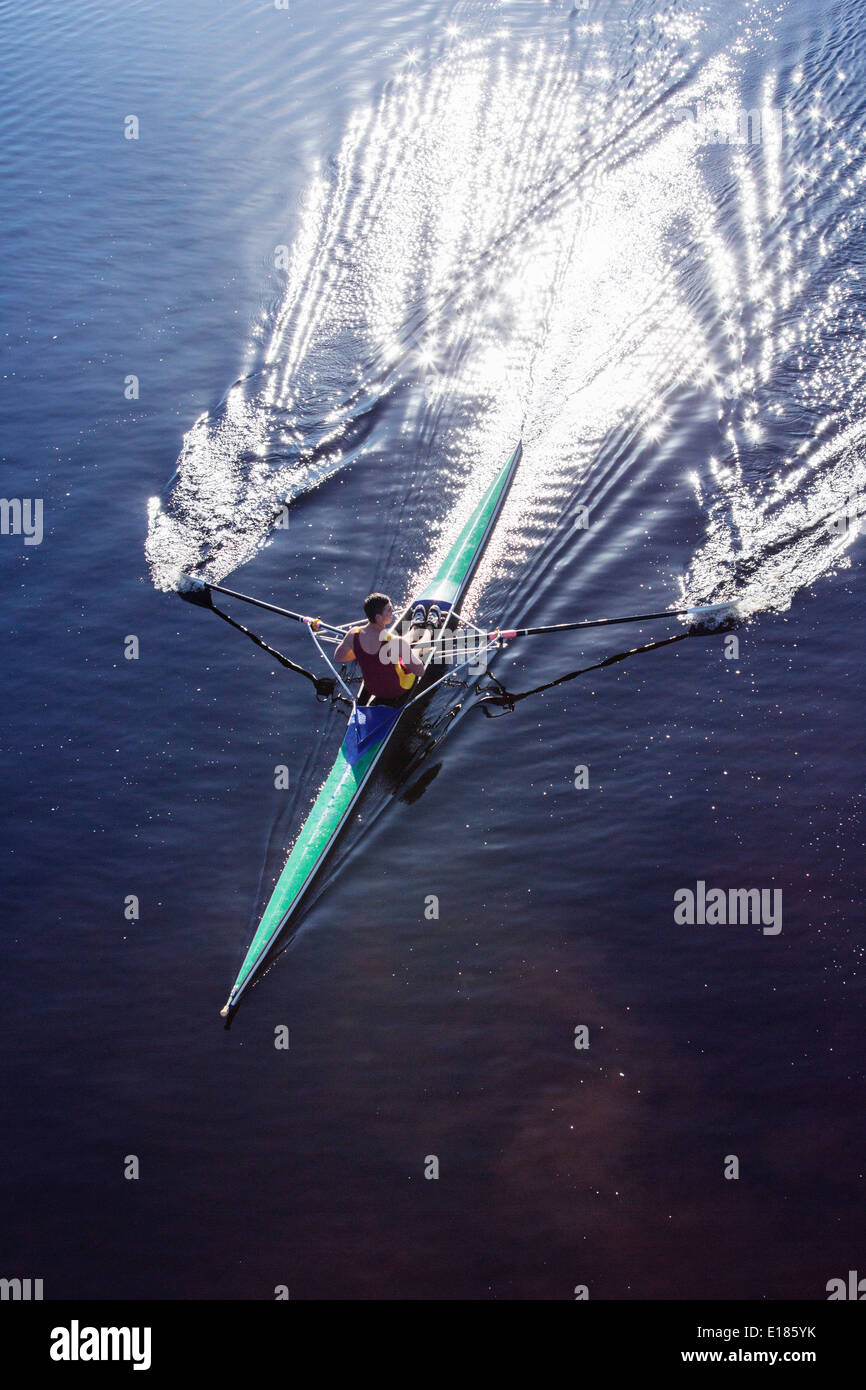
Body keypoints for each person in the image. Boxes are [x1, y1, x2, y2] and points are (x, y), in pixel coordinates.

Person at [333, 593, 439, 705]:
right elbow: (420, 671)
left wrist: (362, 651)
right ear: (378, 617)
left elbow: (339, 658)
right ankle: (429, 629)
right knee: (415, 651)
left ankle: (415, 629)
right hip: (397, 689)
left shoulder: (353, 634)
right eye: (389, 610)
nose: (393, 611)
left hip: (372, 688)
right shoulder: (396, 642)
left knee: (400, 645)